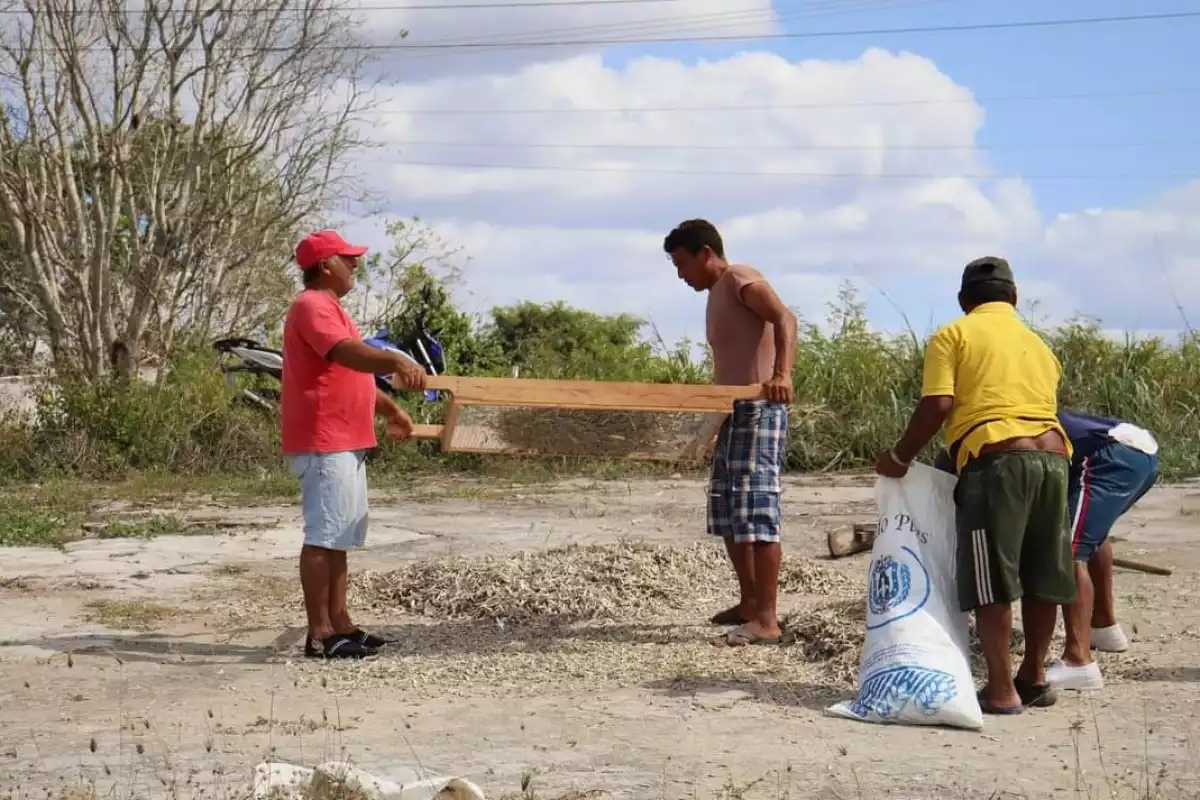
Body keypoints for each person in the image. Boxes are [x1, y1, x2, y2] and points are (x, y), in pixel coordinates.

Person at [875, 256, 1076, 715]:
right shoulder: (1039, 345)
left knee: (991, 578)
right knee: (1045, 572)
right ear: (1015, 298)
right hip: (1053, 460)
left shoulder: (953, 335)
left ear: (964, 301)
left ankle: (1001, 689)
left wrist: (900, 457)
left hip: (998, 462)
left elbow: (939, 403)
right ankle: (1034, 675)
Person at [282, 229, 428, 660]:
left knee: (339, 535)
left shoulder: (333, 309)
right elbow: (347, 355)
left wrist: (392, 411)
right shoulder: (310, 306)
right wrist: (398, 359)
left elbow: (355, 375)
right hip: (324, 438)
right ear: (326, 265)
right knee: (323, 535)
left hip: (345, 437)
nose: (356, 266)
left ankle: (341, 622)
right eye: (349, 259)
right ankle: (320, 633)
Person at [663, 219, 798, 647]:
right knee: (727, 510)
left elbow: (784, 317)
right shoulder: (715, 296)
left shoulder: (740, 277)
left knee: (755, 509)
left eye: (682, 263)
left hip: (759, 409)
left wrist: (781, 374)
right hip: (731, 412)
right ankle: (748, 602)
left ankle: (767, 620)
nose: (681, 275)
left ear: (706, 253)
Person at [1044, 410, 1159, 690]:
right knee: (1089, 535)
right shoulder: (1033, 408)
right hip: (1141, 452)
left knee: (1068, 551)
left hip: (1113, 456)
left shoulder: (1007, 424)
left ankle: (1078, 661)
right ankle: (1104, 628)